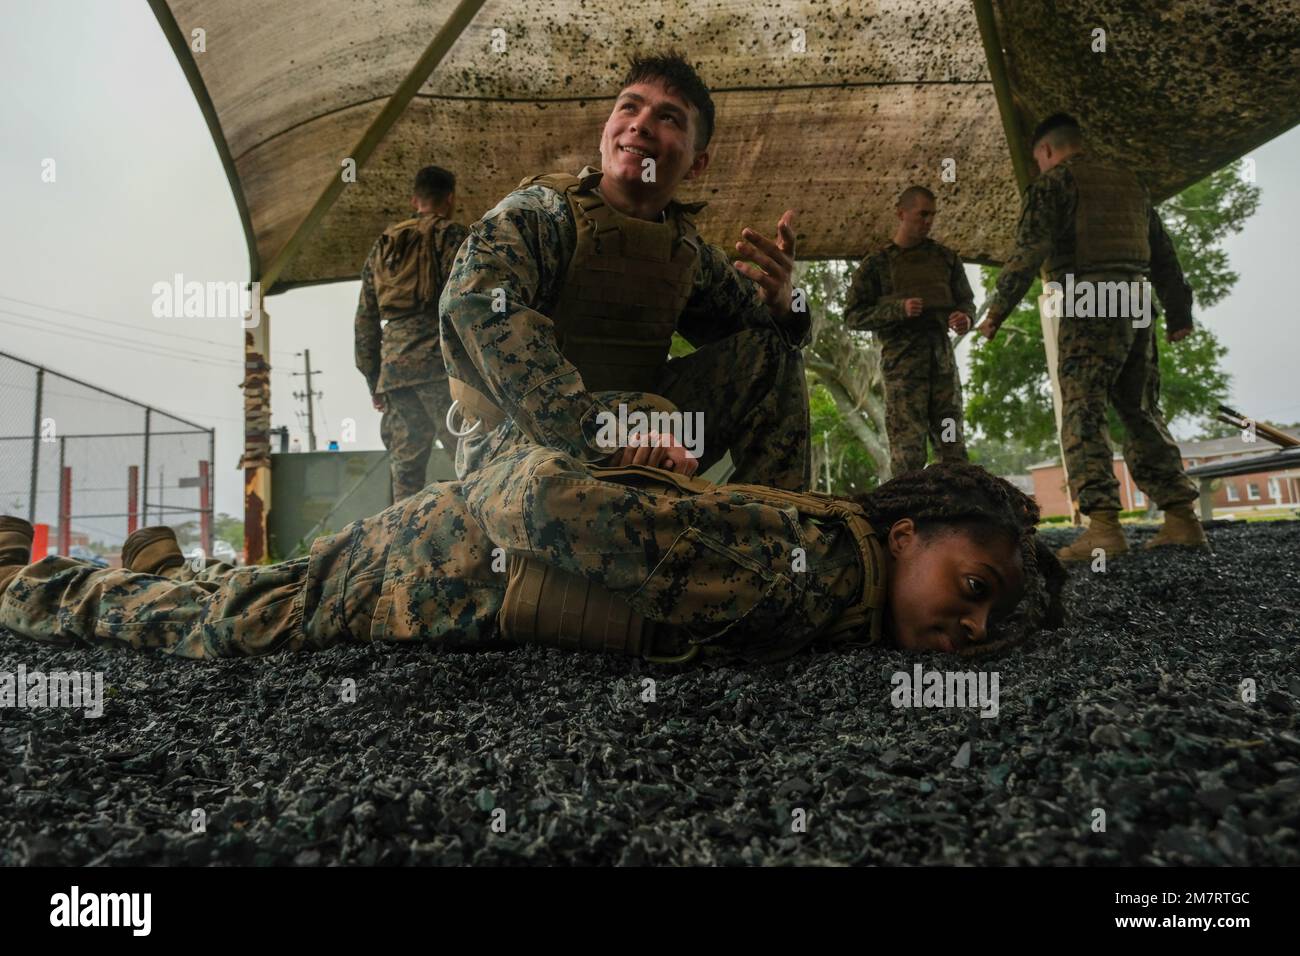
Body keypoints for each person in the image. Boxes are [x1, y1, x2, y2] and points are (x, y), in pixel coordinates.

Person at [0, 448, 1065, 665]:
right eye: (972, 592)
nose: (970, 628)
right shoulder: (812, 567)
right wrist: (561, 481)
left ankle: (158, 561)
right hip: (438, 565)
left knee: (270, 586)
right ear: (903, 534)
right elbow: (538, 497)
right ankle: (32, 582)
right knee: (237, 631)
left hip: (444, 541)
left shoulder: (836, 567)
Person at [438, 51, 810, 490]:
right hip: (513, 441)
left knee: (773, 354)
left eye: (669, 118)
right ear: (606, 131)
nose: (641, 123)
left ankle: (770, 532)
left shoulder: (687, 253)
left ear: (698, 162)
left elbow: (771, 337)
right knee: (655, 416)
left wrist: (790, 305)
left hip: (642, 427)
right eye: (629, 107)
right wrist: (601, 433)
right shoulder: (538, 215)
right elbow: (474, 305)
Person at [976, 113, 1208, 560]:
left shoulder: (1053, 185)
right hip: (1137, 298)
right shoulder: (1128, 182)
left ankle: (1103, 527)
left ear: (1045, 151)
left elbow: (1028, 252)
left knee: (1083, 408)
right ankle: (1182, 518)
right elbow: (1164, 253)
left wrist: (997, 311)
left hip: (1092, 298)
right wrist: (1179, 311)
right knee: (1141, 409)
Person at [843, 185, 976, 476]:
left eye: (932, 215)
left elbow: (967, 302)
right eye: (922, 214)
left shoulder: (946, 259)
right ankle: (908, 518)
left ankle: (958, 514)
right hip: (903, 374)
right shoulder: (876, 265)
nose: (928, 221)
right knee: (908, 454)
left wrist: (964, 318)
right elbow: (853, 316)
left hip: (943, 371)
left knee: (953, 448)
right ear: (901, 213)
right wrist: (898, 310)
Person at [356, 165, 468, 500]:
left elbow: (364, 321)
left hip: (395, 373)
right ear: (449, 199)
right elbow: (467, 304)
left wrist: (374, 379)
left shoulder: (383, 247)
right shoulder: (454, 236)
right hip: (441, 369)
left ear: (414, 199)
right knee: (472, 459)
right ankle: (486, 547)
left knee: (404, 474)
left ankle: (399, 548)